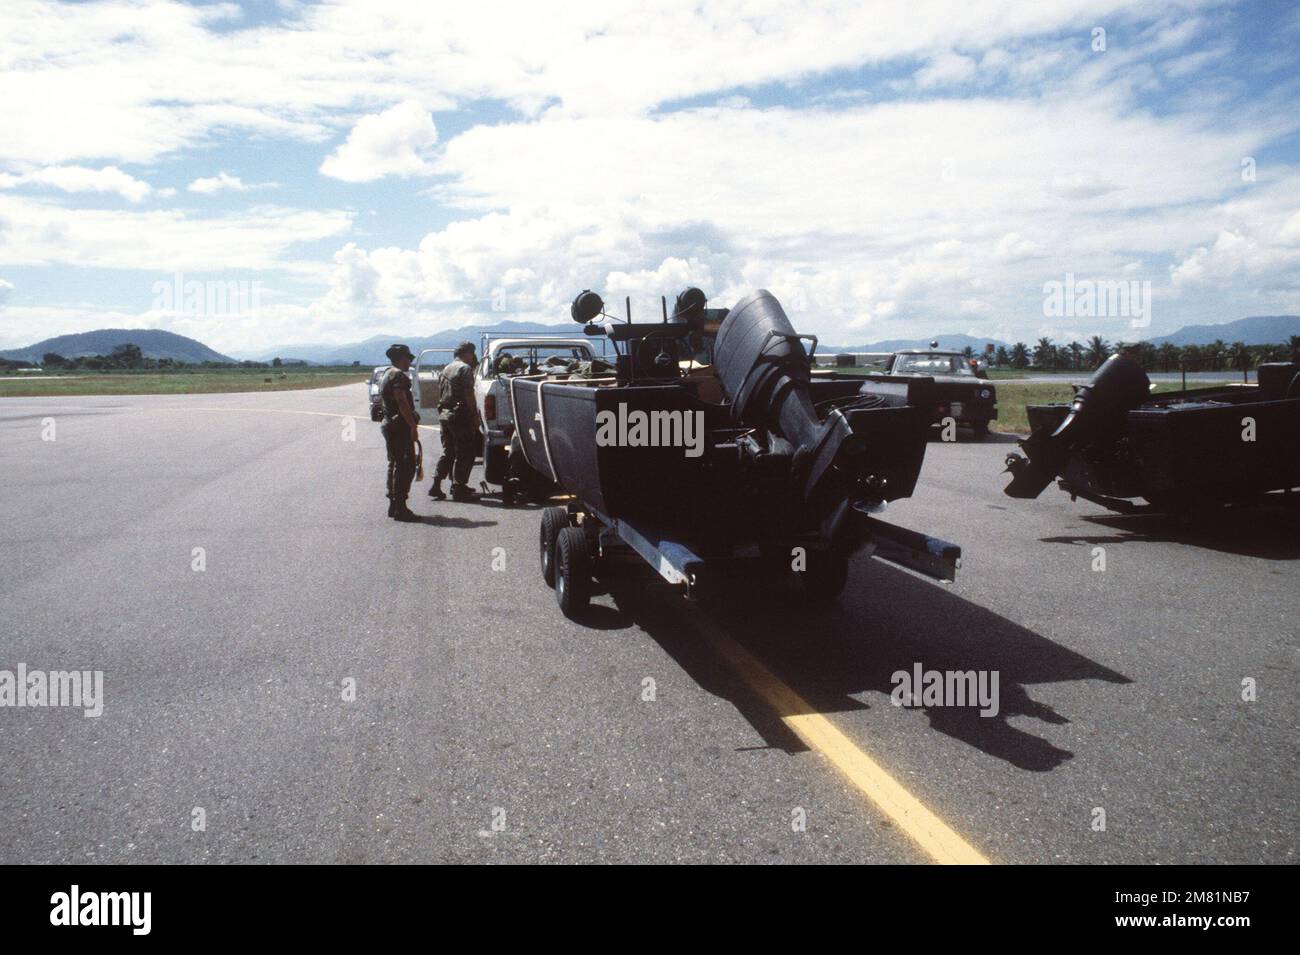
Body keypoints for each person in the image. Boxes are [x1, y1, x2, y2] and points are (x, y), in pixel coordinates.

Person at [431, 341, 482, 502]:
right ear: (468, 353)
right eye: (472, 354)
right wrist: (475, 417)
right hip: (459, 416)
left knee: (448, 451)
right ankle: (459, 487)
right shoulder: (464, 368)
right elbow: (469, 394)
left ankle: (436, 484)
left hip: (445, 414)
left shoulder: (446, 368)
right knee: (466, 452)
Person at [379, 344, 421, 522]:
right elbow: (401, 401)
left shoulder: (387, 373)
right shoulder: (397, 375)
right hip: (399, 427)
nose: (409, 363)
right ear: (401, 358)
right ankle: (400, 507)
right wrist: (413, 426)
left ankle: (393, 504)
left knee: (395, 463)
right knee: (406, 465)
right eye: (408, 359)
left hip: (390, 424)